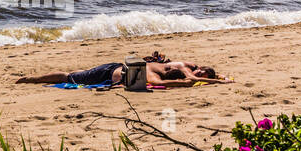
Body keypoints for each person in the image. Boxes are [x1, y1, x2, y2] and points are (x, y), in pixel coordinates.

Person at [16, 60, 227, 86]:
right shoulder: (182, 67)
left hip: (117, 71)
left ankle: (32, 79)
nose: (199, 72)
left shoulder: (177, 67)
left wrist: (217, 78)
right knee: (69, 77)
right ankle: (32, 79)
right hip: (113, 71)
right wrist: (221, 82)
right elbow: (190, 79)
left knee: (76, 74)